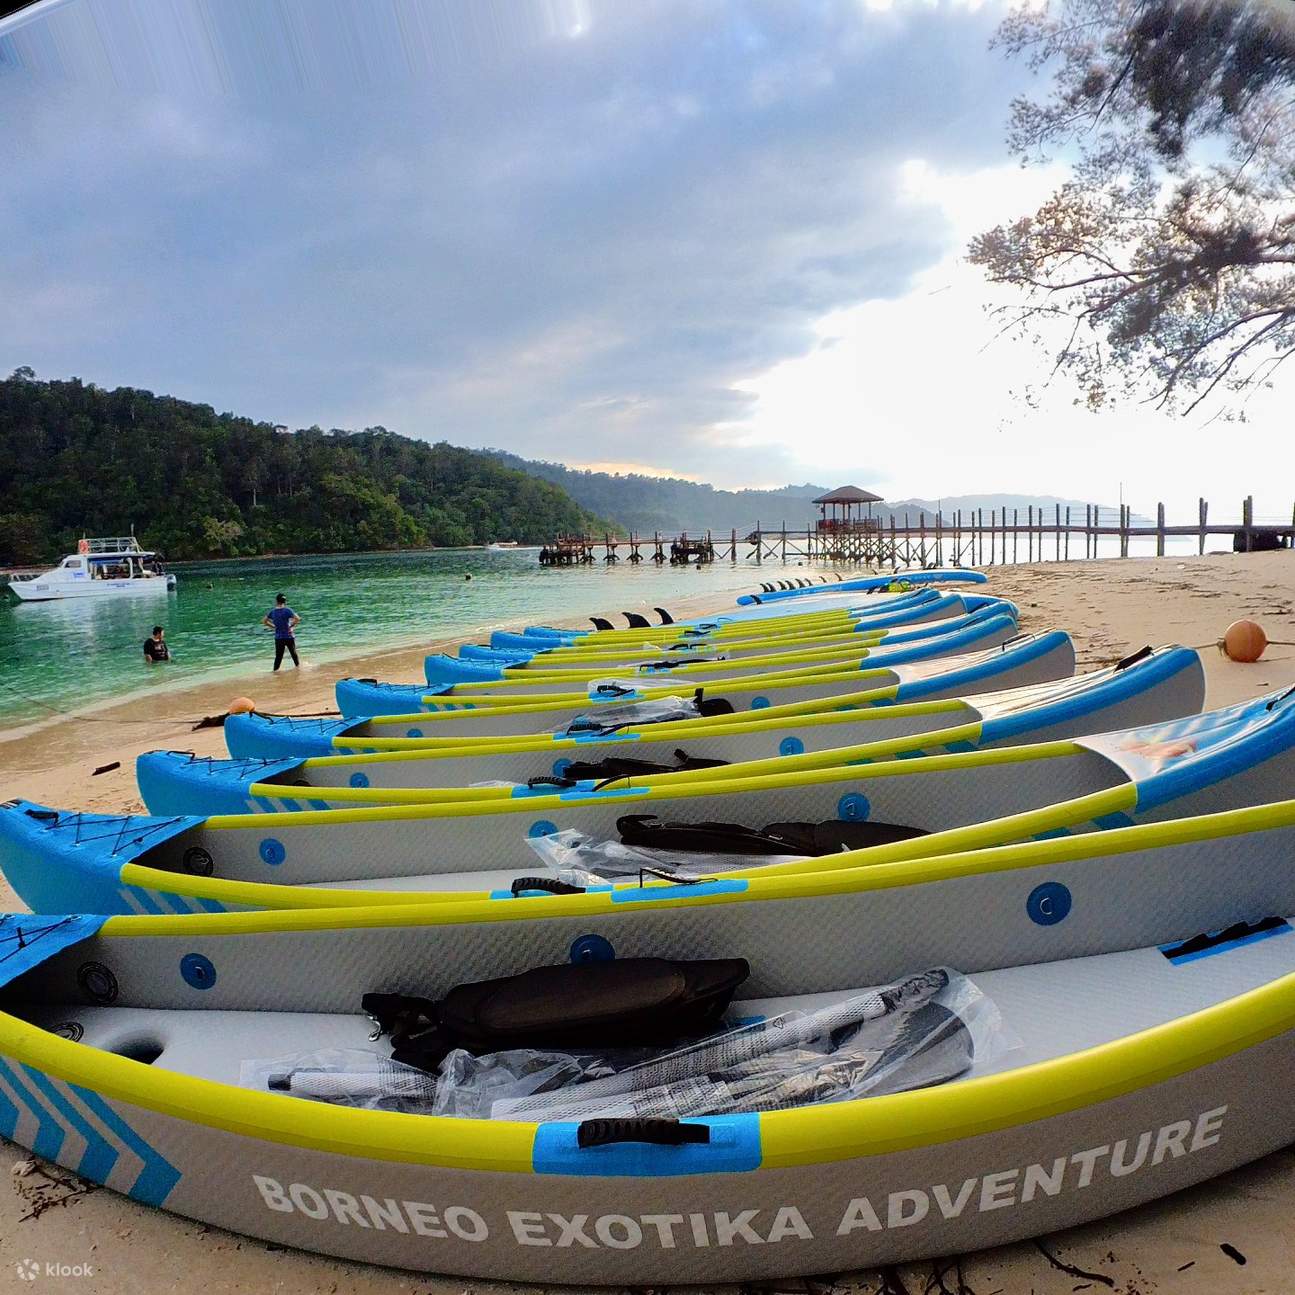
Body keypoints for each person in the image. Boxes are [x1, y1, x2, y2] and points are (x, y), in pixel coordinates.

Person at [263, 594, 301, 671]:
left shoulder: (272, 612)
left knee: (278, 657)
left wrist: (274, 627)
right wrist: (291, 626)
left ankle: (275, 672)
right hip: (289, 636)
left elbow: (264, 621)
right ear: (285, 602)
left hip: (279, 638)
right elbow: (297, 619)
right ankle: (299, 670)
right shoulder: (288, 610)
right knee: (294, 654)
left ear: (276, 601)